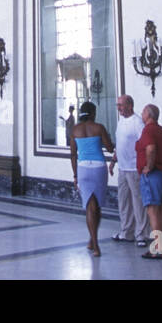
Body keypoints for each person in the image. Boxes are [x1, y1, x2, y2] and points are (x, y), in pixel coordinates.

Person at [69, 101, 115, 257]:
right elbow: (109, 148)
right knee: (98, 206)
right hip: (98, 168)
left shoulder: (75, 129)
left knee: (90, 206)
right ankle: (96, 245)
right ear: (93, 113)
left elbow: (73, 155)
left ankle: (92, 240)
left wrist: (75, 175)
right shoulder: (99, 127)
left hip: (83, 169)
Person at [136, 103, 162, 260]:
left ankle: (157, 249)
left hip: (152, 175)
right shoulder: (161, 130)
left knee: (152, 210)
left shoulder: (148, 129)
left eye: (143, 111)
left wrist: (149, 166)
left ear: (149, 115)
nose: (141, 114)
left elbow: (151, 148)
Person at [109, 94, 151, 247]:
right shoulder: (121, 121)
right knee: (124, 201)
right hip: (122, 168)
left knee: (138, 202)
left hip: (134, 168)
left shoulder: (137, 122)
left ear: (130, 105)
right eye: (118, 105)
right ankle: (126, 232)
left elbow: (145, 145)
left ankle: (141, 234)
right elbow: (119, 145)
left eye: (121, 105)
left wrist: (145, 165)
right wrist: (113, 161)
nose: (118, 108)